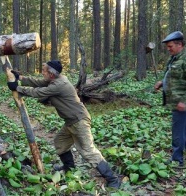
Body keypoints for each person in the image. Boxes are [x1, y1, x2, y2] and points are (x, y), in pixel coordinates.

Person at [7, 60, 121, 188]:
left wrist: (17, 88)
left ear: (51, 74)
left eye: (44, 71)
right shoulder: (55, 79)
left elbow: (39, 92)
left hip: (79, 121)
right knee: (60, 142)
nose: (42, 73)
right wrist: (20, 78)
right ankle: (69, 169)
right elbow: (39, 82)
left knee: (88, 151)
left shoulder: (59, 84)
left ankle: (113, 179)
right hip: (71, 121)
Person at [154, 31, 186, 167]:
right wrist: (162, 82)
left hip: (183, 103)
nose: (168, 48)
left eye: (170, 46)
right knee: (185, 130)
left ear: (179, 44)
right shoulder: (175, 57)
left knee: (178, 131)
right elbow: (173, 75)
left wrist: (184, 101)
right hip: (176, 101)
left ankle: (177, 160)